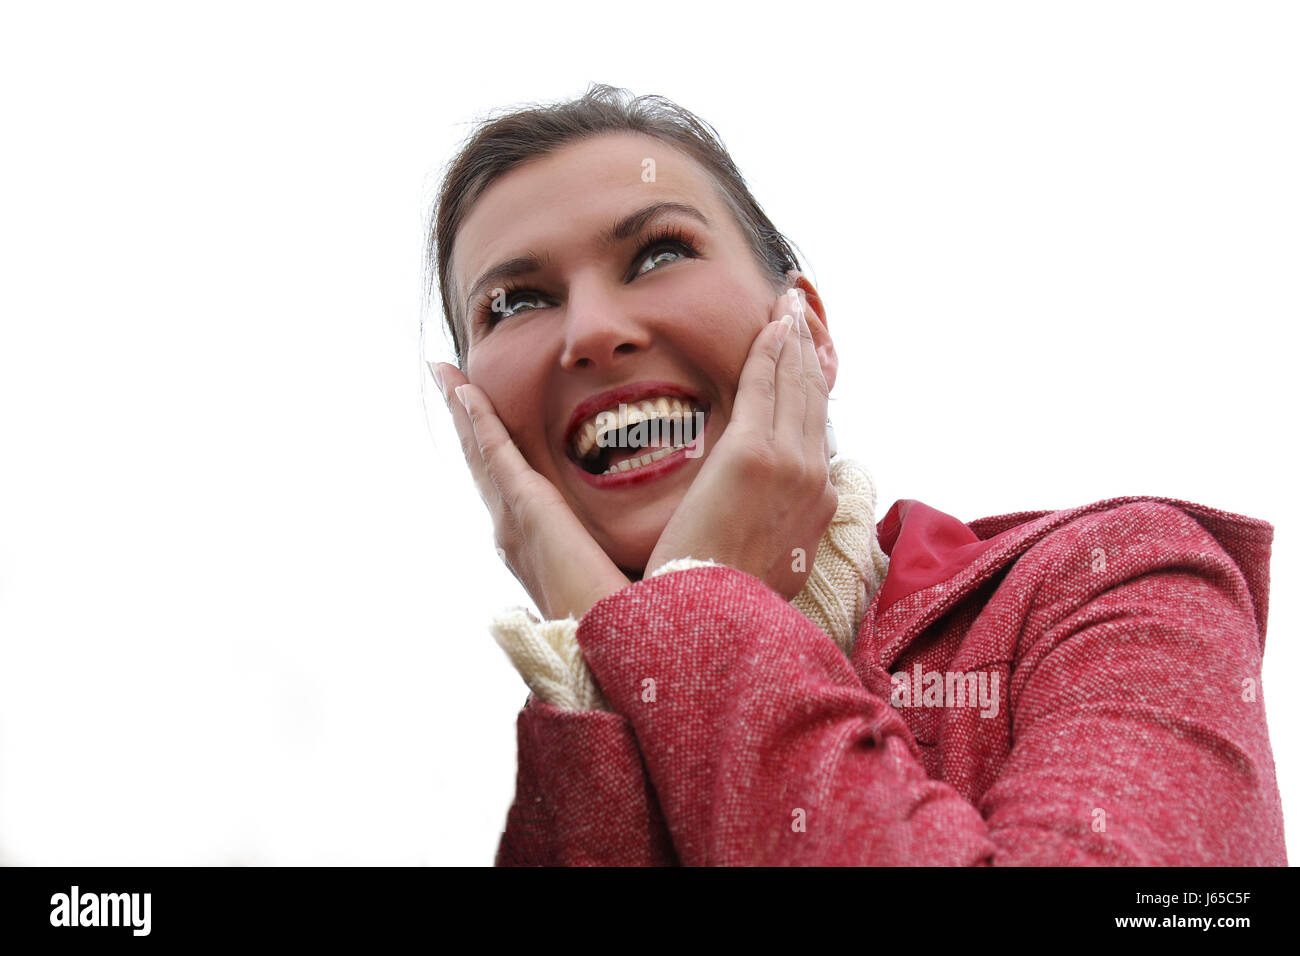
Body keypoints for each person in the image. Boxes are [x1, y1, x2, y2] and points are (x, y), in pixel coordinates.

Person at [424, 83, 1286, 866]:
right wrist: (606, 681)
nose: (592, 332)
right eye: (516, 303)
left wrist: (690, 605)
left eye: (657, 254)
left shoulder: (1122, 583)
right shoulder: (554, 779)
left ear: (810, 331)